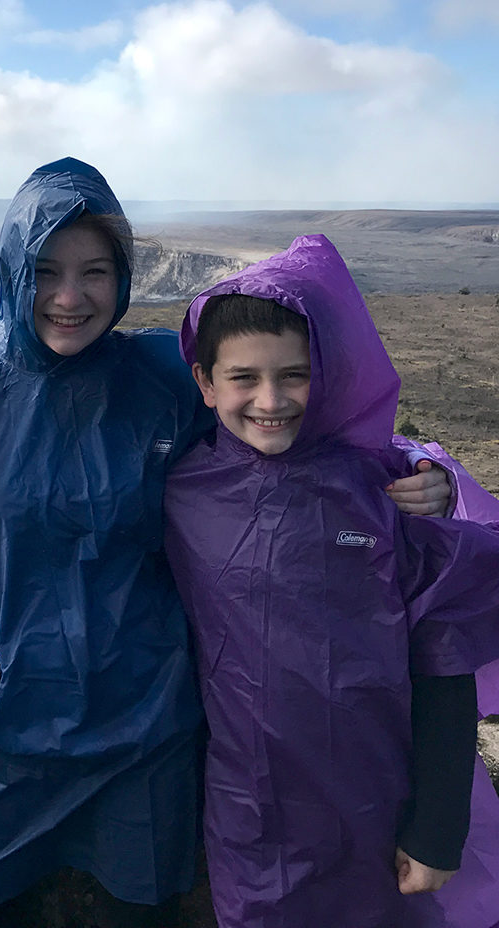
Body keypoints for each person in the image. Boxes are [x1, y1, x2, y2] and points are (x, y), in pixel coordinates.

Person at [0, 160, 452, 928]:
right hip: (15, 729)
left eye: (95, 271)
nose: (70, 296)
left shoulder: (161, 378)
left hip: (149, 730)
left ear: (123, 276)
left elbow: (288, 420)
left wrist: (416, 473)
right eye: (46, 270)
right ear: (13, 271)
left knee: (137, 914)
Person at [163, 233, 499, 928]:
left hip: (378, 801)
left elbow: (444, 657)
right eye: (243, 378)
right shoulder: (182, 490)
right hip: (247, 813)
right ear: (203, 382)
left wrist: (437, 827)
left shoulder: (383, 490)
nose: (271, 399)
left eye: (295, 374)